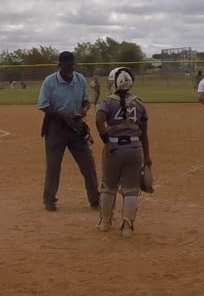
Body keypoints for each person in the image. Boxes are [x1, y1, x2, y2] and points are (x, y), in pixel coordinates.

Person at [37, 51, 99, 212]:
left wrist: (84, 110)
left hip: (76, 126)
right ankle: (49, 199)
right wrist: (63, 117)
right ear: (60, 66)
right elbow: (43, 105)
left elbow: (86, 101)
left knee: (88, 162)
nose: (69, 70)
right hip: (56, 127)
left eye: (72, 66)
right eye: (66, 67)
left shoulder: (80, 79)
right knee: (53, 165)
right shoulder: (50, 81)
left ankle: (95, 198)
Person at [95, 67, 151, 238]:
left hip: (114, 148)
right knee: (131, 190)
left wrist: (107, 142)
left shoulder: (107, 102)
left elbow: (98, 120)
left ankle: (105, 222)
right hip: (135, 149)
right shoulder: (139, 103)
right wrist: (147, 157)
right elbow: (144, 133)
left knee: (109, 187)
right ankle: (127, 226)